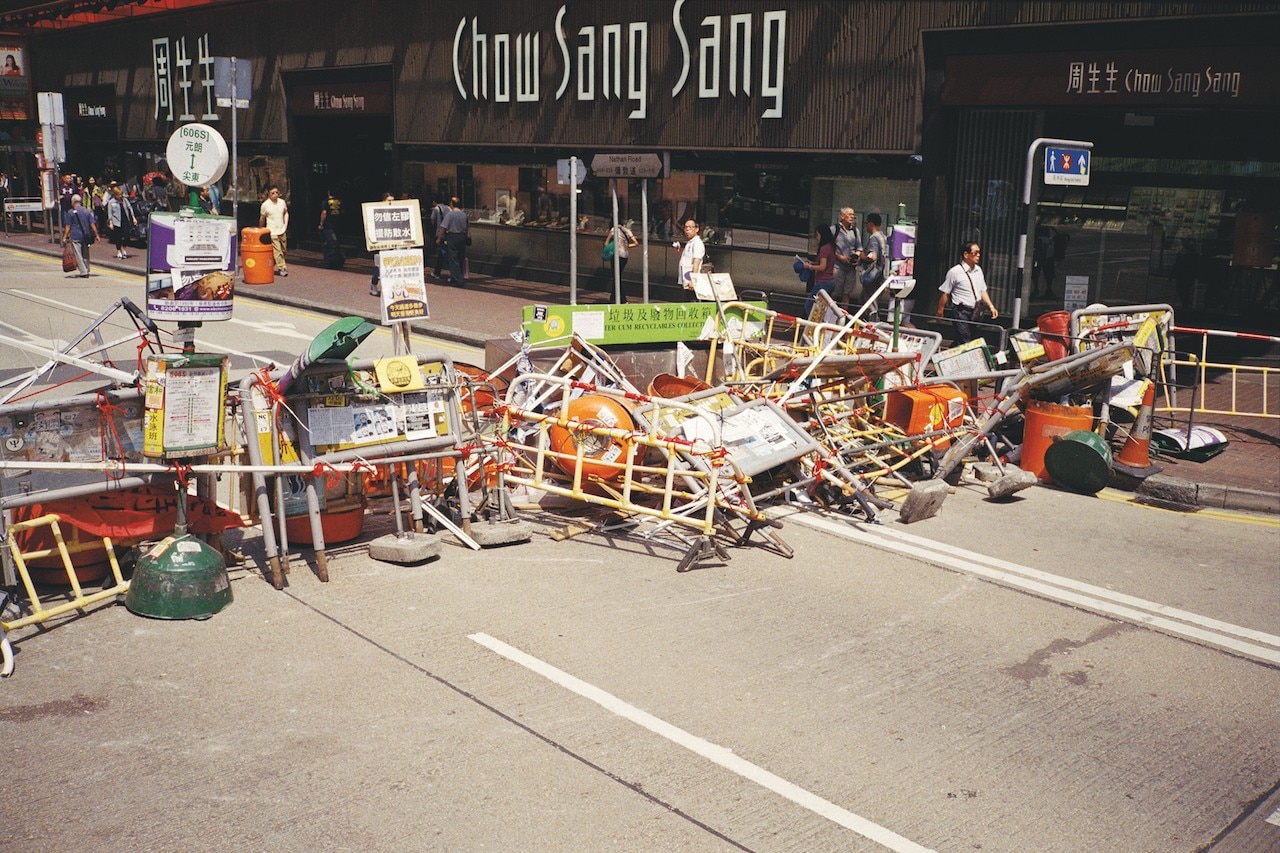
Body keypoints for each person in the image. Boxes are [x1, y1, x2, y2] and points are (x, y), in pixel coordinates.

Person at [936, 242, 998, 344]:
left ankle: (949, 356)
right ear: (966, 254)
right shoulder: (955, 272)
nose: (978, 255)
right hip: (961, 311)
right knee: (965, 339)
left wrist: (991, 306)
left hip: (975, 311)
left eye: (979, 252)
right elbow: (945, 292)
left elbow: (982, 290)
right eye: (975, 252)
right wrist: (940, 310)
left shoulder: (978, 270)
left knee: (966, 338)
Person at [857, 212, 889, 322]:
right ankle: (864, 323)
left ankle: (873, 325)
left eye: (866, 223)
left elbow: (873, 256)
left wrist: (862, 256)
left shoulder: (874, 238)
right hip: (881, 275)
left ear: (871, 224)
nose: (866, 226)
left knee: (870, 304)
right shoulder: (883, 237)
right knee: (863, 300)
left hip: (873, 276)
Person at [830, 206, 863, 311]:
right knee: (834, 293)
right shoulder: (834, 229)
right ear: (842, 216)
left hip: (851, 268)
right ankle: (828, 315)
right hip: (837, 267)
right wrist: (840, 257)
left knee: (847, 293)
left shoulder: (855, 231)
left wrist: (857, 257)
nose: (852, 217)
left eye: (853, 214)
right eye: (849, 214)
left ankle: (843, 315)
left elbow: (859, 248)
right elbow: (829, 247)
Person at [801, 224, 837, 317]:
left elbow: (822, 267)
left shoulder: (824, 248)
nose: (817, 238)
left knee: (809, 306)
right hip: (830, 281)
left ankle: (813, 326)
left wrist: (809, 267)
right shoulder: (831, 247)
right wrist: (812, 263)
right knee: (823, 307)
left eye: (817, 235)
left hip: (823, 282)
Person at [62, 193, 99, 278]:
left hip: (75, 236)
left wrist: (65, 236)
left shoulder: (70, 212)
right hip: (86, 236)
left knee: (78, 254)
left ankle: (83, 272)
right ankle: (87, 268)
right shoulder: (87, 211)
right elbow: (92, 224)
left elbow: (68, 226)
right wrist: (96, 235)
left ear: (73, 202)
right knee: (86, 254)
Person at [436, 196, 468, 285]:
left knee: (453, 258)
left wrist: (439, 238)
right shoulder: (463, 214)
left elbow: (443, 227)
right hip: (462, 236)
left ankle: (456, 279)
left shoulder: (450, 214)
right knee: (460, 257)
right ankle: (459, 276)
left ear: (452, 204)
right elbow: (466, 227)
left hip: (452, 236)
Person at [258, 185, 289, 276]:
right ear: (269, 194)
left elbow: (285, 213)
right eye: (273, 193)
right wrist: (261, 228)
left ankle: (268, 263)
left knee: (283, 250)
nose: (275, 195)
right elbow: (262, 218)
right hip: (272, 231)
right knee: (277, 250)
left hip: (281, 230)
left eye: (277, 193)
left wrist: (285, 225)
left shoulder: (282, 202)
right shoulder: (265, 205)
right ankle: (282, 268)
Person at [369, 192, 395, 297]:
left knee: (392, 267)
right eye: (389, 201)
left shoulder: (395, 213)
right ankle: (373, 284)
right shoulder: (377, 212)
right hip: (381, 244)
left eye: (393, 201)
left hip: (393, 243)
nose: (391, 203)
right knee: (380, 267)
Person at [106, 185, 137, 259]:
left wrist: (133, 218)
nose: (120, 196)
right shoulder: (111, 202)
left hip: (125, 220)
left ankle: (123, 248)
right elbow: (110, 213)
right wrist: (110, 223)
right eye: (119, 194)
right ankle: (119, 251)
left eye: (121, 194)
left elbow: (130, 208)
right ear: (115, 195)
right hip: (117, 221)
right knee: (118, 237)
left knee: (127, 236)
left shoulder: (125, 200)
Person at [317, 187, 344, 269]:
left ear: (329, 193)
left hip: (328, 225)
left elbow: (324, 213)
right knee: (337, 242)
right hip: (338, 224)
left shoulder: (326, 201)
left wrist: (321, 224)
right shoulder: (340, 201)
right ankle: (338, 260)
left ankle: (332, 261)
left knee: (330, 243)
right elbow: (343, 212)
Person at [675, 218, 705, 292]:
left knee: (690, 301)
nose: (687, 230)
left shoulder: (697, 243)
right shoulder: (690, 242)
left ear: (696, 229)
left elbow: (696, 262)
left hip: (690, 281)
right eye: (686, 227)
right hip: (685, 279)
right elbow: (686, 259)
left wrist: (693, 280)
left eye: (690, 227)